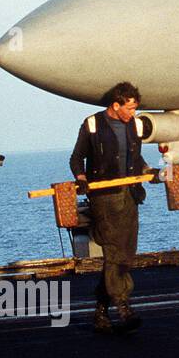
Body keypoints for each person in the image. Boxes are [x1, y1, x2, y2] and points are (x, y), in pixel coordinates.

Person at [69, 82, 151, 333]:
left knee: (126, 252)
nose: (133, 114)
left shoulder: (135, 126)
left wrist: (150, 172)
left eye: (135, 109)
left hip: (130, 194)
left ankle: (100, 312)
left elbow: (137, 160)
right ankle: (123, 306)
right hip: (104, 198)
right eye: (129, 109)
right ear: (116, 105)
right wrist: (81, 180)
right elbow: (76, 158)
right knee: (114, 250)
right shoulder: (92, 124)